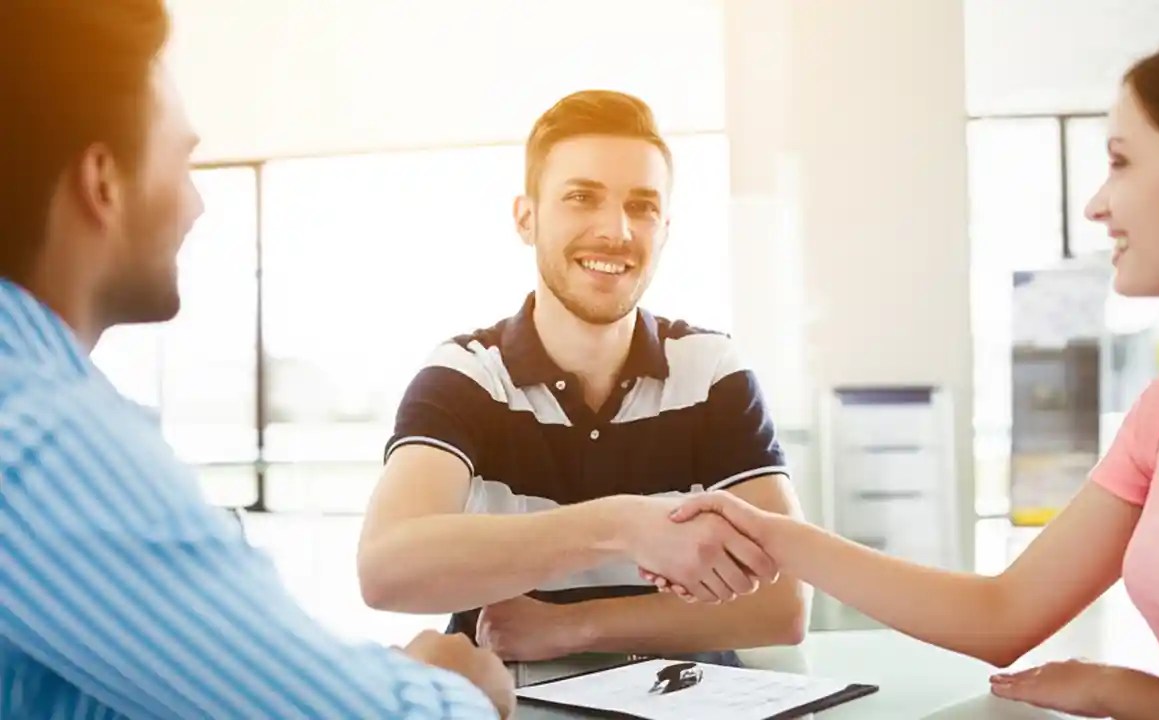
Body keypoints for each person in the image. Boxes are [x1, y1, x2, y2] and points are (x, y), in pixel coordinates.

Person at [654, 25, 1159, 720]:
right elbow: (1002, 614)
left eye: (1122, 162)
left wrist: (1120, 691)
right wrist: (770, 532)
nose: (1097, 204)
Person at [0, 2, 513, 717]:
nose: (197, 205)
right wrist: (458, 691)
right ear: (104, 183)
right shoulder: (46, 438)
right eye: (182, 162)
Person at [358, 90, 808, 669]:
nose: (616, 230)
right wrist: (620, 524)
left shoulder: (710, 370)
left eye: (642, 206)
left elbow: (782, 605)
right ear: (527, 218)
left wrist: (573, 626)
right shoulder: (467, 376)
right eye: (581, 198)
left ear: (664, 227)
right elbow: (386, 571)